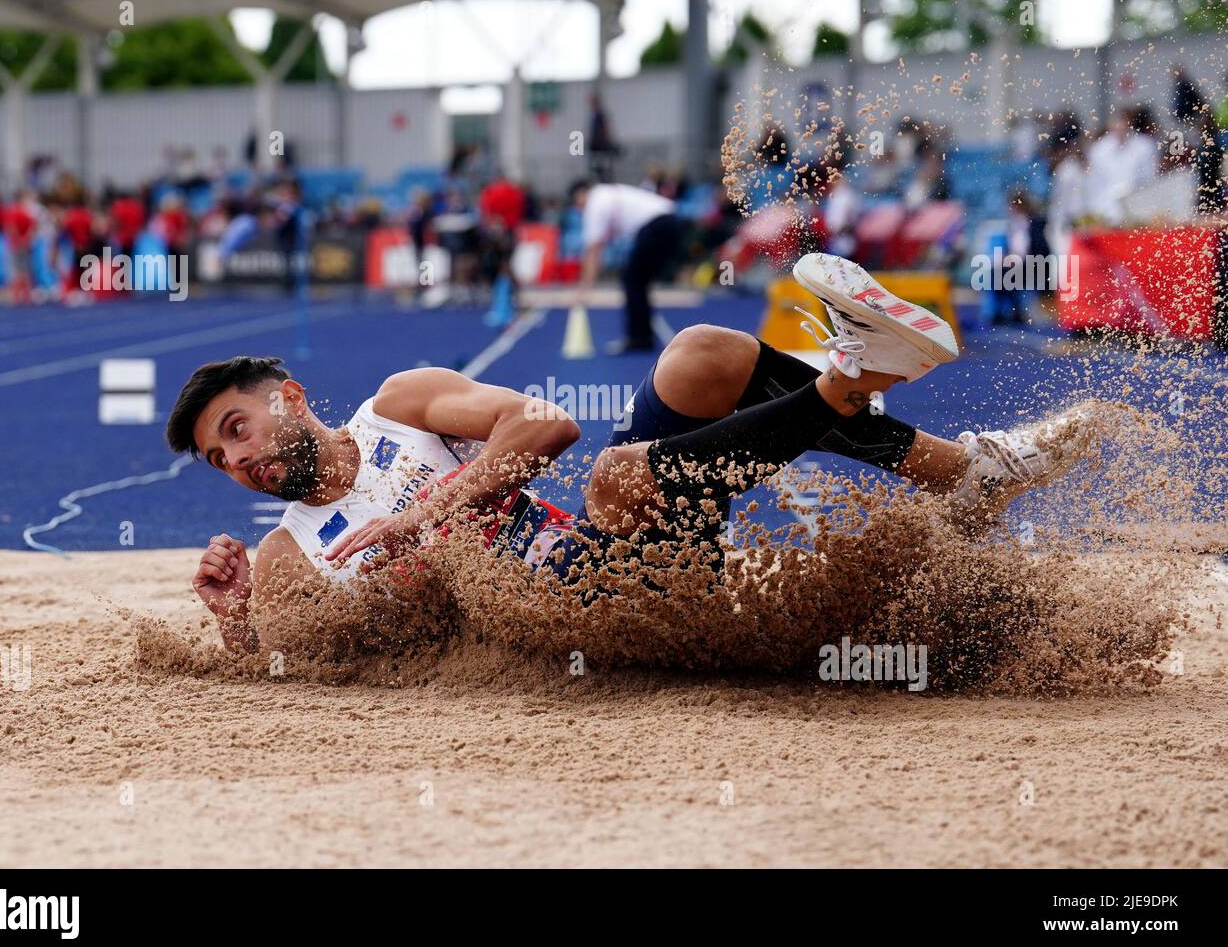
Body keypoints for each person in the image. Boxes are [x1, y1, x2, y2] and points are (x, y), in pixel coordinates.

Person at [165, 254, 1097, 653]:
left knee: (703, 354)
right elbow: (286, 667)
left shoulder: (399, 407)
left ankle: (964, 472)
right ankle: (847, 378)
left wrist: (424, 511)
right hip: (577, 629)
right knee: (621, 474)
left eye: (237, 429)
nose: (238, 460)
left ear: (287, 398)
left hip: (625, 559)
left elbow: (543, 425)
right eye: (220, 459)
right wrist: (236, 621)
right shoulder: (289, 552)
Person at [569, 177, 685, 354]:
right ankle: (643, 334)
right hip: (669, 222)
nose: (579, 209)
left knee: (632, 279)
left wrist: (584, 290)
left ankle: (639, 338)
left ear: (582, 194)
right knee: (637, 280)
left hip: (658, 225)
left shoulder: (595, 202)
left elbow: (593, 251)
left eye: (578, 204)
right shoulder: (605, 192)